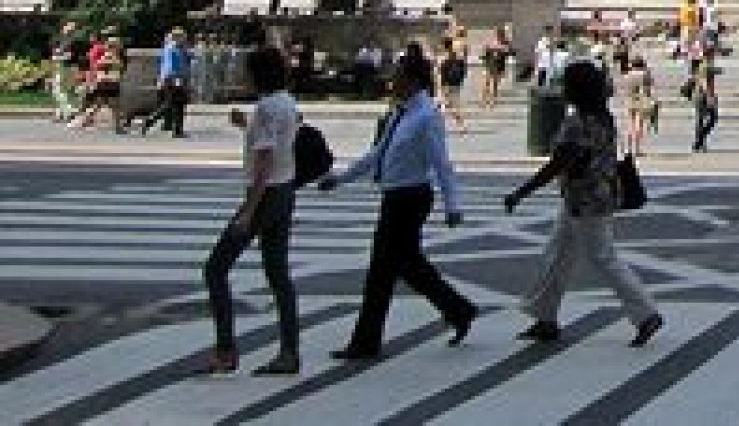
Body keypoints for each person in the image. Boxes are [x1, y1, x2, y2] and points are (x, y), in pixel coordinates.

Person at [320, 53, 478, 361]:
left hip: (411, 197)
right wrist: (341, 179)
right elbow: (377, 153)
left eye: (399, 77)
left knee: (381, 271)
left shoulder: (426, 117)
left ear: (414, 81)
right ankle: (459, 310)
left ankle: (366, 341)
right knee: (409, 266)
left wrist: (453, 205)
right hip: (395, 196)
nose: (393, 82)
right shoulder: (401, 113)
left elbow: (441, 163)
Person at [503, 59, 663, 347]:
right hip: (595, 196)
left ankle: (645, 314)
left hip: (584, 201)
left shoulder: (576, 124)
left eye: (567, 84)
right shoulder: (603, 118)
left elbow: (557, 165)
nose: (563, 89)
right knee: (557, 254)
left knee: (603, 257)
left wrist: (521, 192)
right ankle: (545, 317)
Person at [201, 43, 303, 376]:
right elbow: (277, 142)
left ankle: (226, 349)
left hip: (266, 194)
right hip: (285, 191)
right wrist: (247, 126)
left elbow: (264, 161)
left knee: (216, 269)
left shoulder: (266, 108)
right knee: (278, 274)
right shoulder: (287, 102)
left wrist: (248, 210)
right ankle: (289, 351)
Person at [143, 27, 193, 138]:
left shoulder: (173, 48)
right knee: (174, 104)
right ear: (177, 37)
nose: (185, 39)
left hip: (171, 78)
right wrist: (177, 79)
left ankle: (175, 129)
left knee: (174, 104)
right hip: (173, 79)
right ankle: (152, 121)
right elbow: (171, 66)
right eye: (183, 37)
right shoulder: (173, 49)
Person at [687, 43, 720, 152]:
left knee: (701, 119)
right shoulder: (705, 65)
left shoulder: (704, 64)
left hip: (699, 94)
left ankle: (700, 142)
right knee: (712, 118)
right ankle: (699, 141)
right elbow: (703, 82)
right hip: (703, 95)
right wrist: (709, 96)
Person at [623, 55, 658, 157]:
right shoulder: (644, 74)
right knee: (639, 125)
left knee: (630, 125)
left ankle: (628, 149)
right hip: (641, 100)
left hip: (630, 100)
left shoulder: (627, 75)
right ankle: (637, 149)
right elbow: (648, 89)